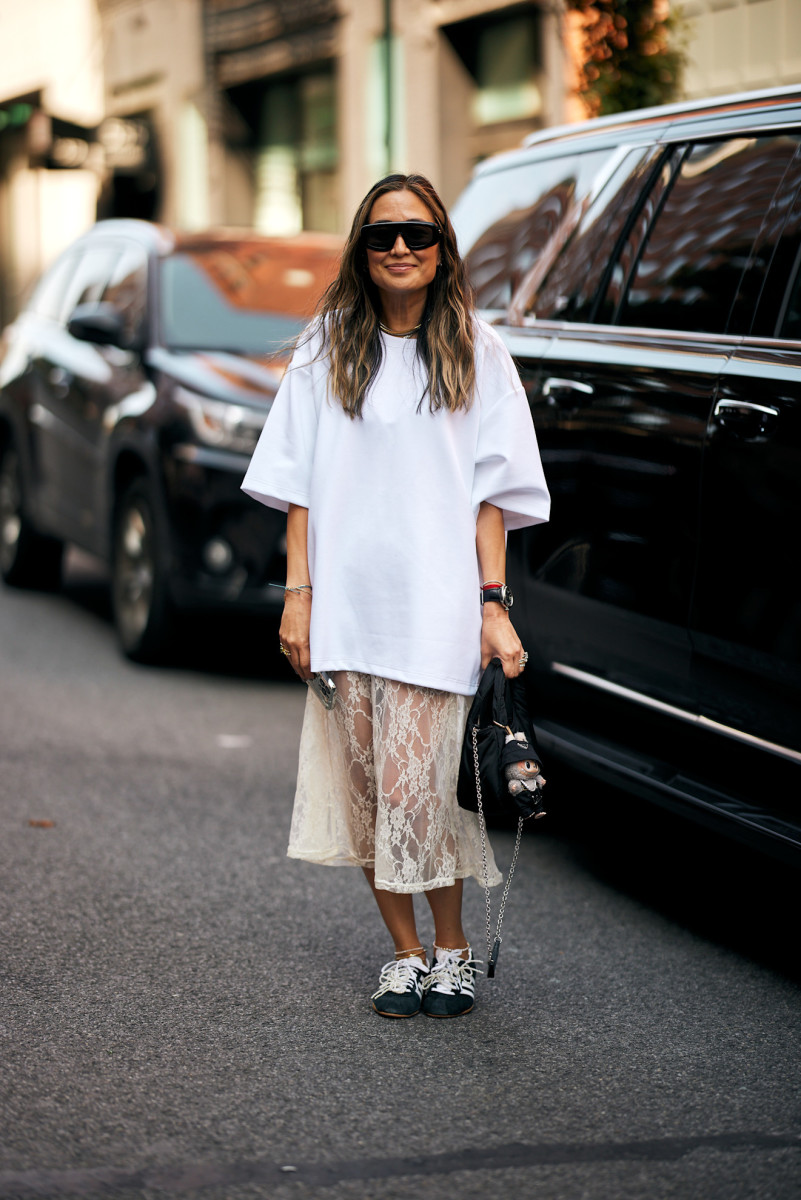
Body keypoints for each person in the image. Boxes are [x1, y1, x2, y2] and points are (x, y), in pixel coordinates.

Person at [242, 173, 549, 1018]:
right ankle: (404, 954)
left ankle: (451, 950)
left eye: (417, 234)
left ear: (442, 247)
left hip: (434, 609)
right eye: (382, 236)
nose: (401, 248)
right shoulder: (325, 347)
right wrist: (296, 595)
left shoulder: (478, 351)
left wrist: (492, 605)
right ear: (362, 251)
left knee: (422, 790)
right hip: (345, 608)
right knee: (370, 793)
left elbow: (494, 500)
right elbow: (299, 491)